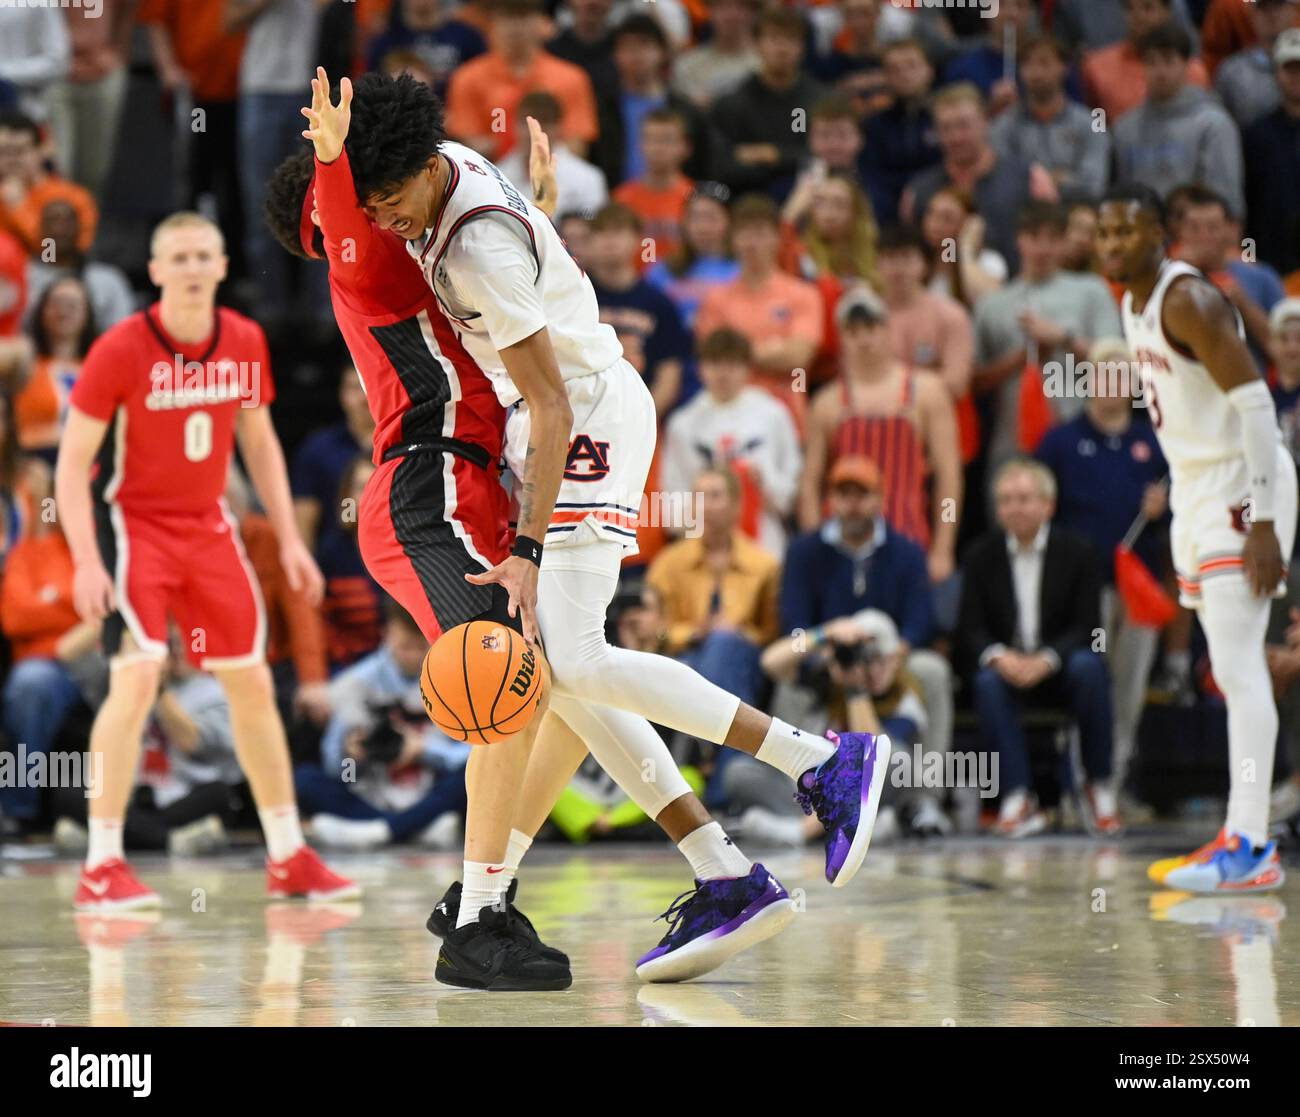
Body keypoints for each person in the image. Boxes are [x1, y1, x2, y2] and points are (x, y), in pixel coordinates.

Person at [339, 69, 890, 980]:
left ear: (425, 170)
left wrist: (522, 549)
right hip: (566, 416)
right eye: (372, 206)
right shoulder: (447, 171)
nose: (388, 220)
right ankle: (720, 873)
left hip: (581, 420)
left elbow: (551, 405)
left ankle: (821, 761)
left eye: (394, 200)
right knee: (559, 675)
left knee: (578, 659)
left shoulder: (476, 251)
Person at [54, 211, 358, 911]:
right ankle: (102, 863)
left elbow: (260, 446)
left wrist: (287, 539)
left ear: (223, 267)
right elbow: (72, 467)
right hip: (133, 527)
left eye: (204, 256)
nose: (192, 267)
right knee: (135, 679)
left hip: (209, 526)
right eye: (179, 257)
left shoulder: (245, 339)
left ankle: (287, 853)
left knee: (250, 681)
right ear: (155, 271)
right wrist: (85, 561)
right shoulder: (119, 348)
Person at [1099, 182, 1297, 891]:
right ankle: (1237, 835)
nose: (1115, 244)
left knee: (1241, 669)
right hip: (1197, 489)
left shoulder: (1189, 299)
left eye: (1128, 231)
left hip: (1245, 487)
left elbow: (1256, 405)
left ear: (1162, 233)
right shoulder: (1130, 299)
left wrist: (1267, 521)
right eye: (1105, 233)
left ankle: (1250, 844)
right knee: (1228, 665)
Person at [765, 455, 953, 836]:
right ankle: (795, 787)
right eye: (843, 494)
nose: (852, 504)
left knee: (933, 669)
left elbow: (921, 621)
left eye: (862, 494)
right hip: (826, 649)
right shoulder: (805, 551)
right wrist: (829, 641)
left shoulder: (907, 552)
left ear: (881, 499)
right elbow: (794, 627)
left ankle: (926, 798)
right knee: (788, 674)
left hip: (891, 655)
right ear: (829, 500)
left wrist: (893, 654)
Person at [1035, 337, 1169, 795]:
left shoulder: (1153, 442)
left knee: (1129, 683)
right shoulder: (1061, 442)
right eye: (1101, 372)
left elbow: (1183, 506)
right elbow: (1040, 508)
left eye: (1121, 374)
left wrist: (1162, 508)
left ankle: (1112, 772)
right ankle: (1076, 772)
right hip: (1081, 591)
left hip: (1137, 585)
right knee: (1088, 678)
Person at [959, 459, 1118, 838]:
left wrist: (1046, 660)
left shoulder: (1079, 552)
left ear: (1048, 504)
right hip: (1008, 668)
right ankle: (1017, 794)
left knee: (1090, 667)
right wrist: (1000, 656)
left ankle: (1099, 785)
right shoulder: (980, 556)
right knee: (986, 681)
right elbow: (970, 629)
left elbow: (1089, 628)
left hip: (1059, 667)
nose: (1015, 507)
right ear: (997, 509)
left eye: (1025, 498)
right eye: (1007, 500)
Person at [801, 287, 962, 588]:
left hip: (908, 536)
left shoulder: (926, 392)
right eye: (853, 331)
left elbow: (949, 477)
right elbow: (811, 482)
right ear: (841, 339)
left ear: (888, 330)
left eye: (871, 328)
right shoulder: (828, 402)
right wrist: (815, 545)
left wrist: (943, 548)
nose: (864, 339)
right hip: (841, 541)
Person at [645, 467, 781, 806]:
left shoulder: (764, 565)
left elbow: (773, 635)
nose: (704, 504)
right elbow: (651, 632)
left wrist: (737, 634)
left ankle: (693, 771)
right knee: (703, 659)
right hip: (683, 660)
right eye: (698, 496)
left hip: (744, 665)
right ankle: (720, 787)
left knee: (724, 648)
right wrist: (694, 632)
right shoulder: (669, 564)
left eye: (715, 495)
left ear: (737, 506)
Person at [296, 603, 470, 850]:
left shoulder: (458, 679)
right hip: (371, 791)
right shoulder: (353, 685)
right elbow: (342, 773)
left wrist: (424, 751)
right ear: (387, 635)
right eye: (405, 646)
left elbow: (475, 753)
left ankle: (377, 829)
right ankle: (412, 827)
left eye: (421, 647)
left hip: (432, 787)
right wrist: (352, 758)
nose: (413, 656)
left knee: (471, 776)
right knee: (306, 780)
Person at [971, 201, 1123, 467]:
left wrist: (1063, 338)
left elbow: (1117, 367)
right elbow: (974, 382)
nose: (1042, 248)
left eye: (1052, 239)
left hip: (1083, 437)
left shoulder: (1092, 290)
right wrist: (1020, 359)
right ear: (1019, 241)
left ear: (1065, 242)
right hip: (1012, 443)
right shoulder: (992, 305)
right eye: (1033, 237)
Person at [0, 460, 104, 831]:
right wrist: (70, 611)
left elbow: (105, 606)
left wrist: (50, 602)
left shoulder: (91, 550)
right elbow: (14, 618)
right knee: (31, 686)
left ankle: (132, 802)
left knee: (133, 677)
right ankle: (18, 808)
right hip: (44, 663)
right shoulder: (26, 552)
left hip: (95, 656)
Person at [661, 327, 801, 556]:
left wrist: (763, 482)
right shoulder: (683, 424)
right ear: (700, 368)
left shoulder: (773, 414)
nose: (724, 374)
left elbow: (790, 487)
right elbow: (671, 500)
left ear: (748, 368)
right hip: (702, 546)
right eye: (715, 364)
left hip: (764, 540)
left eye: (733, 365)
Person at [694, 193, 824, 427]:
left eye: (761, 233)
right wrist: (774, 348)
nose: (752, 243)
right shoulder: (716, 299)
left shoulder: (803, 294)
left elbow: (798, 357)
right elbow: (713, 360)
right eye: (744, 234)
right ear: (732, 240)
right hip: (729, 418)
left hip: (787, 416)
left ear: (777, 238)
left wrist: (738, 352)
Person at [900, 82, 1057, 276]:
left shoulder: (1031, 178)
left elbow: (1053, 242)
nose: (956, 137)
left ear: (985, 121)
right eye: (946, 128)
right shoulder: (918, 191)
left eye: (963, 125)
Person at [1112, 22, 1245, 220]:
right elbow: (1120, 197)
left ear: (1187, 65)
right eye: (1151, 62)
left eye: (1168, 60)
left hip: (1198, 236)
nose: (1160, 71)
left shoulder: (1214, 124)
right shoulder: (1124, 128)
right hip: (1140, 236)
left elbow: (1226, 200)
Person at [443, 0, 597, 163]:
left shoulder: (570, 78)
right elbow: (467, 145)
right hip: (492, 176)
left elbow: (577, 146)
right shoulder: (468, 77)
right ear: (492, 23)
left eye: (523, 16)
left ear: (542, 22)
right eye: (507, 17)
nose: (515, 27)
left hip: (553, 175)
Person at [585, 202, 691, 416]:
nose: (610, 241)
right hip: (584, 415)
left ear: (637, 240)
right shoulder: (576, 297)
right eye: (601, 233)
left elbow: (669, 374)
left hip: (640, 417)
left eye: (618, 232)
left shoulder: (659, 304)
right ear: (590, 242)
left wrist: (642, 418)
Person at [710, 7, 827, 194]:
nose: (782, 48)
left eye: (790, 39)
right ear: (756, 44)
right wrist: (785, 159)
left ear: (803, 47)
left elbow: (819, 156)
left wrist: (770, 154)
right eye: (773, 38)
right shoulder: (732, 104)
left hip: (804, 197)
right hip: (745, 198)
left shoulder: (818, 101)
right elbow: (722, 165)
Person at [988, 34, 1110, 204]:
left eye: (1044, 63)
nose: (1035, 72)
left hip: (1076, 213)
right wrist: (1058, 178)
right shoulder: (1003, 125)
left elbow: (1094, 185)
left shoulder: (1091, 123)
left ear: (1064, 67)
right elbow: (1002, 185)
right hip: (1023, 218)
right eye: (1027, 63)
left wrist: (1037, 181)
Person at [1081, 0, 1210, 122]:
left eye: (1148, 7)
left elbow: (1205, 118)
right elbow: (1096, 115)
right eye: (1130, 8)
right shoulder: (1097, 68)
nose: (1139, 17)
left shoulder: (1192, 71)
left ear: (1167, 12)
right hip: (1121, 142)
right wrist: (1101, 141)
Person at [12, 275, 95, 464]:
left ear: (87, 314)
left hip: (89, 463)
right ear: (42, 311)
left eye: (73, 305)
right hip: (33, 459)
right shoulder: (23, 364)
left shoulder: (99, 368)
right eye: (56, 303)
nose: (64, 311)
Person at [860, 38, 940, 227]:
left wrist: (918, 188)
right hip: (889, 205)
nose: (904, 75)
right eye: (895, 70)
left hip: (936, 196)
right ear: (885, 78)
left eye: (911, 66)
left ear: (929, 71)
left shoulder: (943, 118)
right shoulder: (875, 124)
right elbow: (871, 173)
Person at [643, 182, 738, 331]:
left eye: (711, 218)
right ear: (684, 223)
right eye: (695, 218)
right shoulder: (661, 271)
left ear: (729, 221)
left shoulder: (743, 270)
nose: (702, 227)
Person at [498, 91, 607, 220]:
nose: (534, 132)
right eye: (526, 123)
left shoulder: (588, 178)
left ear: (559, 127)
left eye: (544, 123)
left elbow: (593, 223)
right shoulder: (497, 174)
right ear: (514, 125)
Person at [1245, 28, 1300, 278]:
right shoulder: (1257, 134)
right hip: (1271, 262)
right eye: (1289, 69)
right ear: (1276, 74)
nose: (1296, 77)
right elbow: (1248, 199)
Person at [611, 108, 695, 264]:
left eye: (666, 140)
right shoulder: (622, 199)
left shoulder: (695, 198)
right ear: (640, 146)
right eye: (651, 140)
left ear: (685, 147)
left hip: (681, 284)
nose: (658, 148)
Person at [1213, 0, 1293, 128]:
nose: (1272, 15)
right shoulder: (1232, 71)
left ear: (1292, 10)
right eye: (1264, 9)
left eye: (1279, 7)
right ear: (1252, 14)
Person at [671, 0, 758, 109]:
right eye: (722, 6)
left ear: (753, 13)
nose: (731, 15)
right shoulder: (686, 65)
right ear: (709, 11)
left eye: (740, 6)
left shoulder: (768, 63)